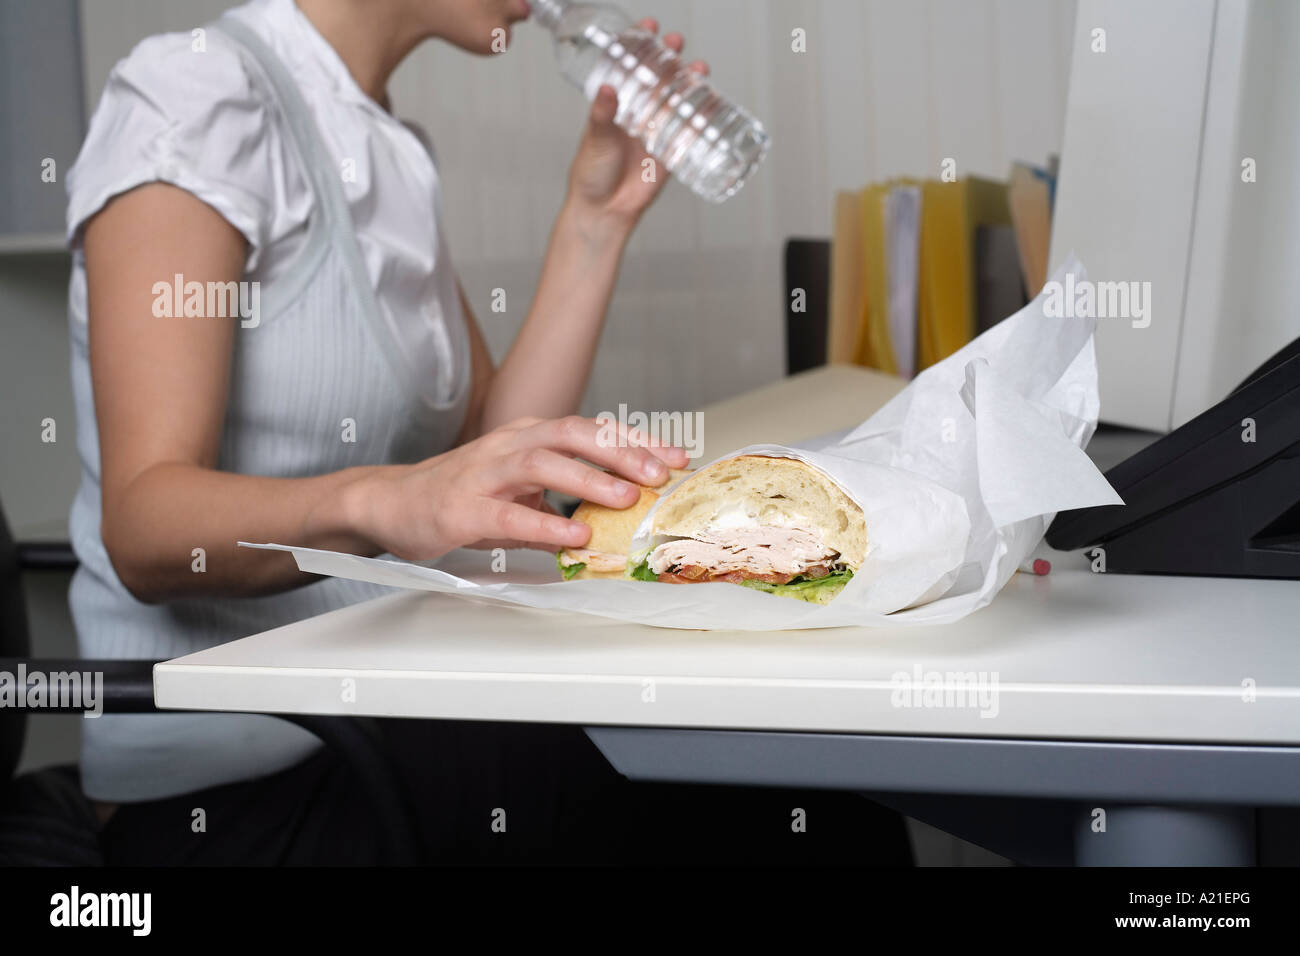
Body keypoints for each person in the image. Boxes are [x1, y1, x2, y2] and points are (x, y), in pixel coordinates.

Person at [67, 0, 911, 865]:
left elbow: (485, 453)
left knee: (800, 779)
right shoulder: (195, 94)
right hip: (247, 784)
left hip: (392, 714)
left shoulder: (385, 141)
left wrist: (597, 221)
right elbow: (144, 523)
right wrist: (387, 499)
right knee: (807, 818)